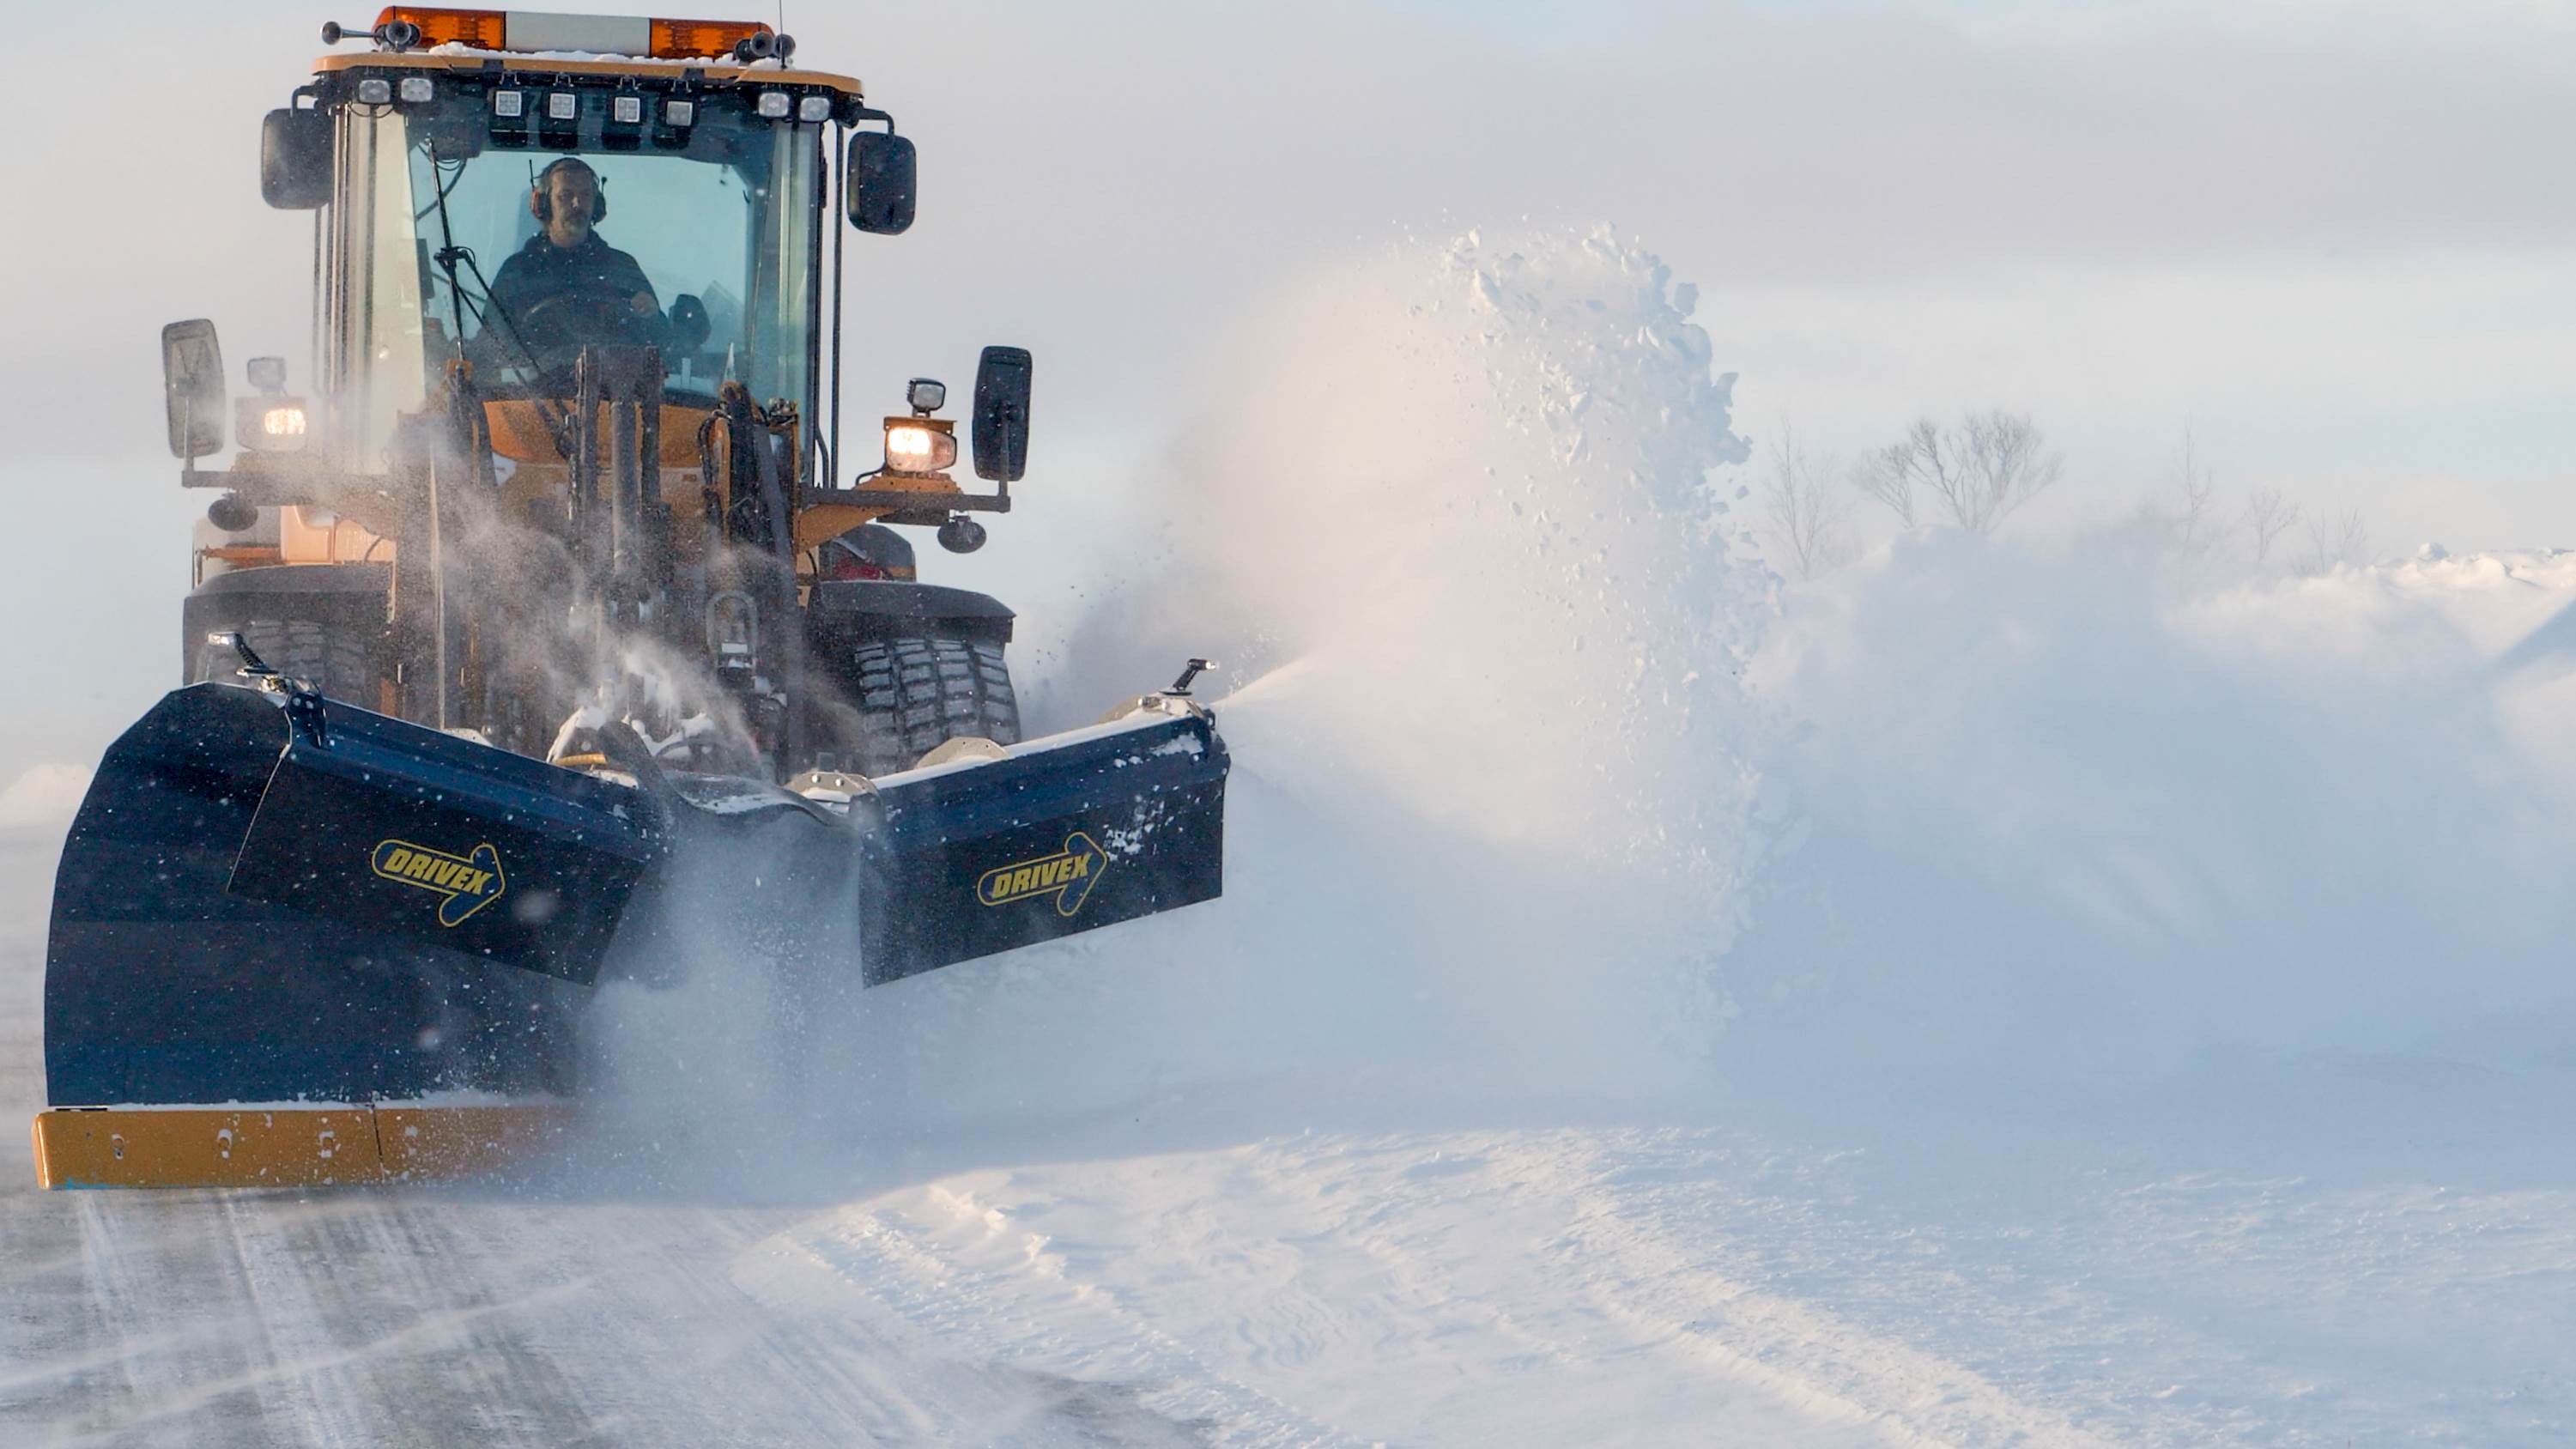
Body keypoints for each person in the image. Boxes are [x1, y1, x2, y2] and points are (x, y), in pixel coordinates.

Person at [485, 157, 663, 354]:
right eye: (566, 195)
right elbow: (489, 346)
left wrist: (652, 316)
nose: (577, 204)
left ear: (598, 205)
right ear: (543, 204)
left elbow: (660, 347)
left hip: (611, 382)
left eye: (586, 195)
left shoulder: (622, 269)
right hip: (532, 383)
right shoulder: (518, 272)